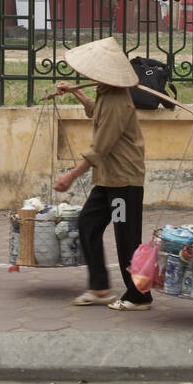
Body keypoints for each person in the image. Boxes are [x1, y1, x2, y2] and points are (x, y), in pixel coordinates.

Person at [53, 36, 152, 311]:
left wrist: (70, 177)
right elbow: (97, 113)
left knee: (126, 238)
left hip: (123, 182)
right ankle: (99, 288)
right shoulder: (106, 94)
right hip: (107, 179)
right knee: (88, 224)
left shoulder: (119, 101)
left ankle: (139, 295)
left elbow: (99, 148)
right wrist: (77, 92)